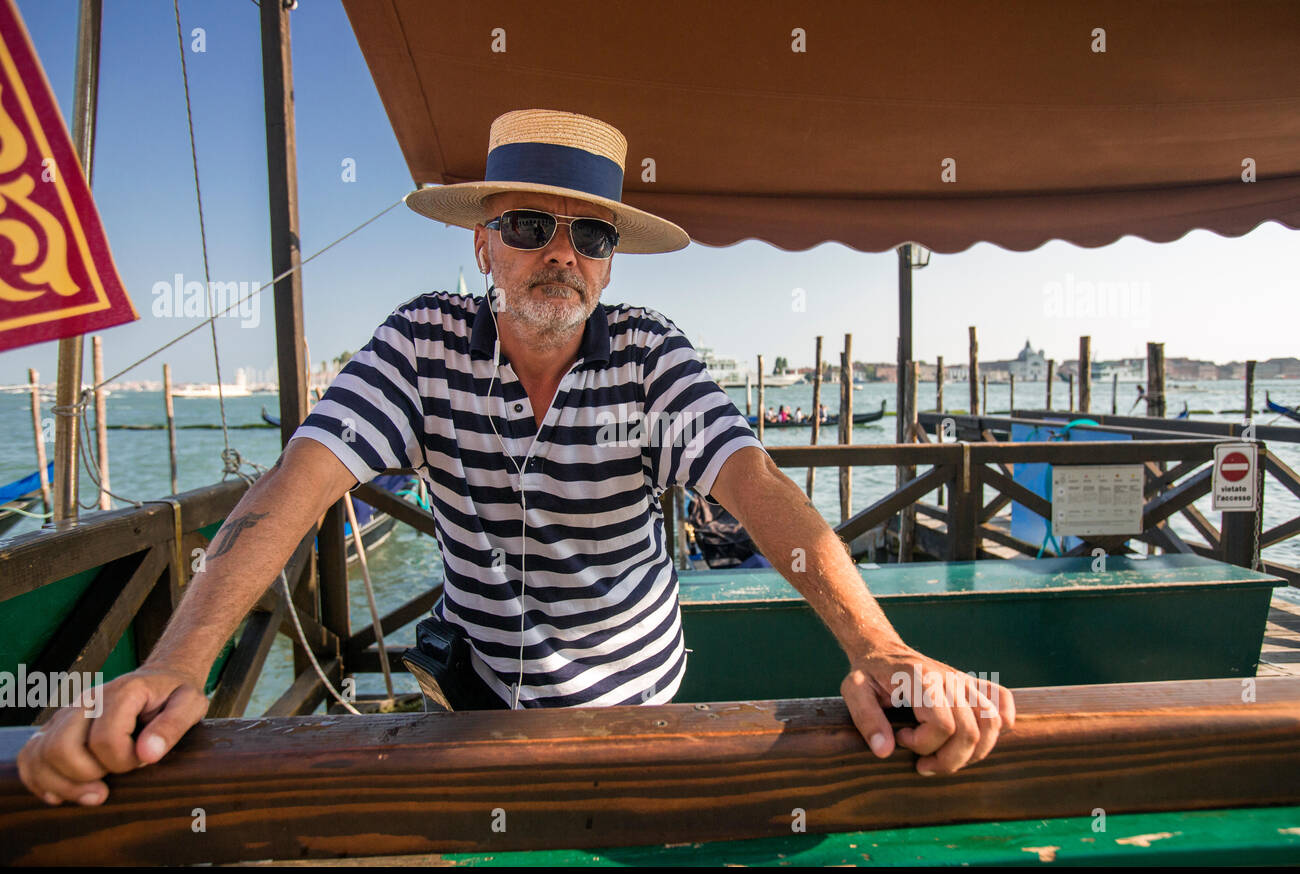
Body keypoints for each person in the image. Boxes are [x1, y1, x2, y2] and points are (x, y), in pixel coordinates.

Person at [17, 108, 1012, 808]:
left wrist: (881, 649)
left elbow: (755, 483)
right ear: (484, 245)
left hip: (633, 705)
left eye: (590, 234)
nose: (562, 253)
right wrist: (178, 665)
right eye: (532, 226)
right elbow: (300, 482)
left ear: (611, 261)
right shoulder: (422, 341)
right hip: (476, 699)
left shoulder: (648, 353)